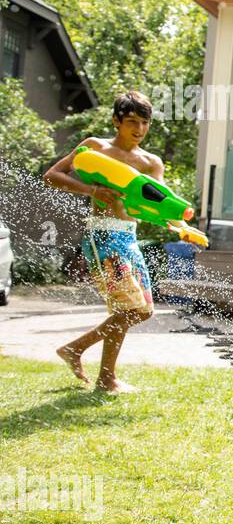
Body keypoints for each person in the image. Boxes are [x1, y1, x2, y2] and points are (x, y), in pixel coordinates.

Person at [42, 91, 162, 394]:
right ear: (116, 121)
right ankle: (104, 377)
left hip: (130, 236)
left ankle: (80, 354)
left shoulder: (150, 163)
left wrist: (180, 224)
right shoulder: (95, 148)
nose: (138, 129)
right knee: (129, 308)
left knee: (141, 310)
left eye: (144, 123)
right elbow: (53, 175)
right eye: (131, 121)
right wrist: (91, 191)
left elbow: (159, 205)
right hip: (103, 235)